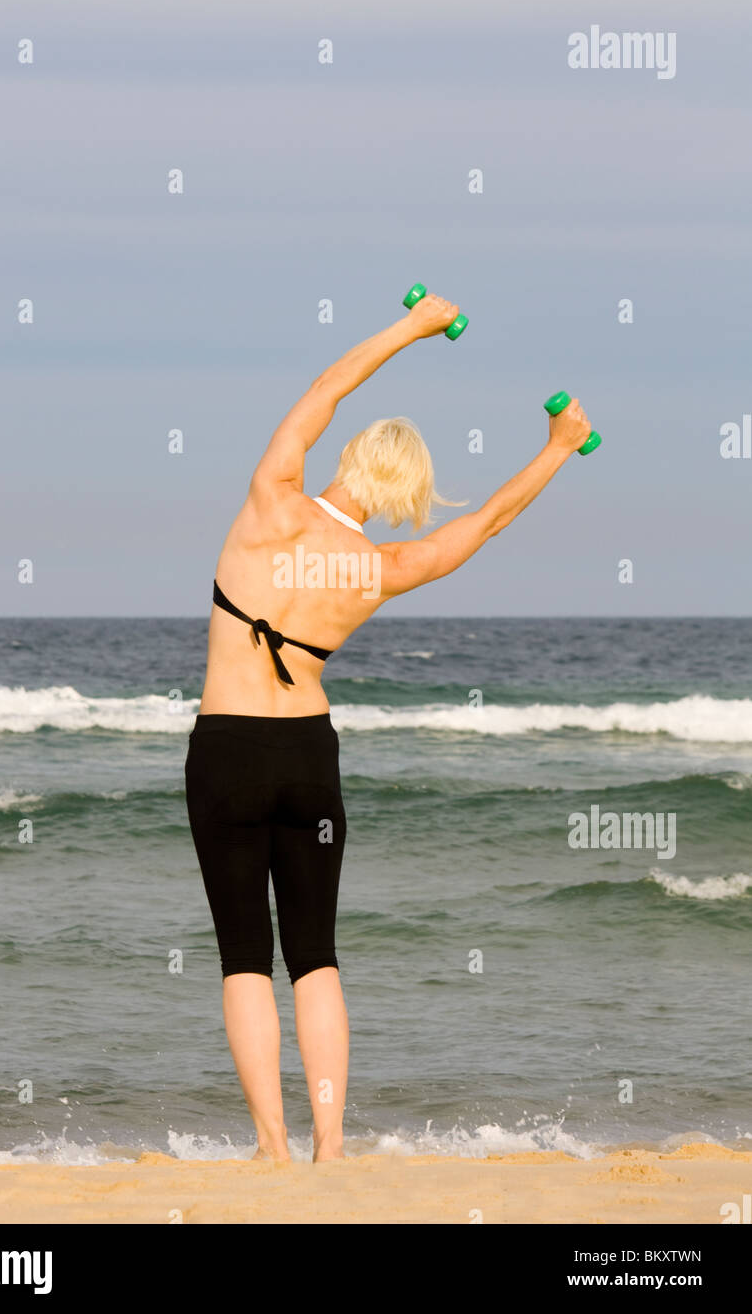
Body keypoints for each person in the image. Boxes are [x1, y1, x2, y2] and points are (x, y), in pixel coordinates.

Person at [184, 292, 593, 1161]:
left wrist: (413, 327)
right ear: (408, 495)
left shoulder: (271, 501)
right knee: (316, 958)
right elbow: (486, 522)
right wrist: (556, 450)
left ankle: (273, 1149)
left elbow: (329, 386)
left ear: (349, 456)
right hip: (307, 757)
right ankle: (331, 1147)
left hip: (227, 749)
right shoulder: (383, 569)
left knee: (244, 959)